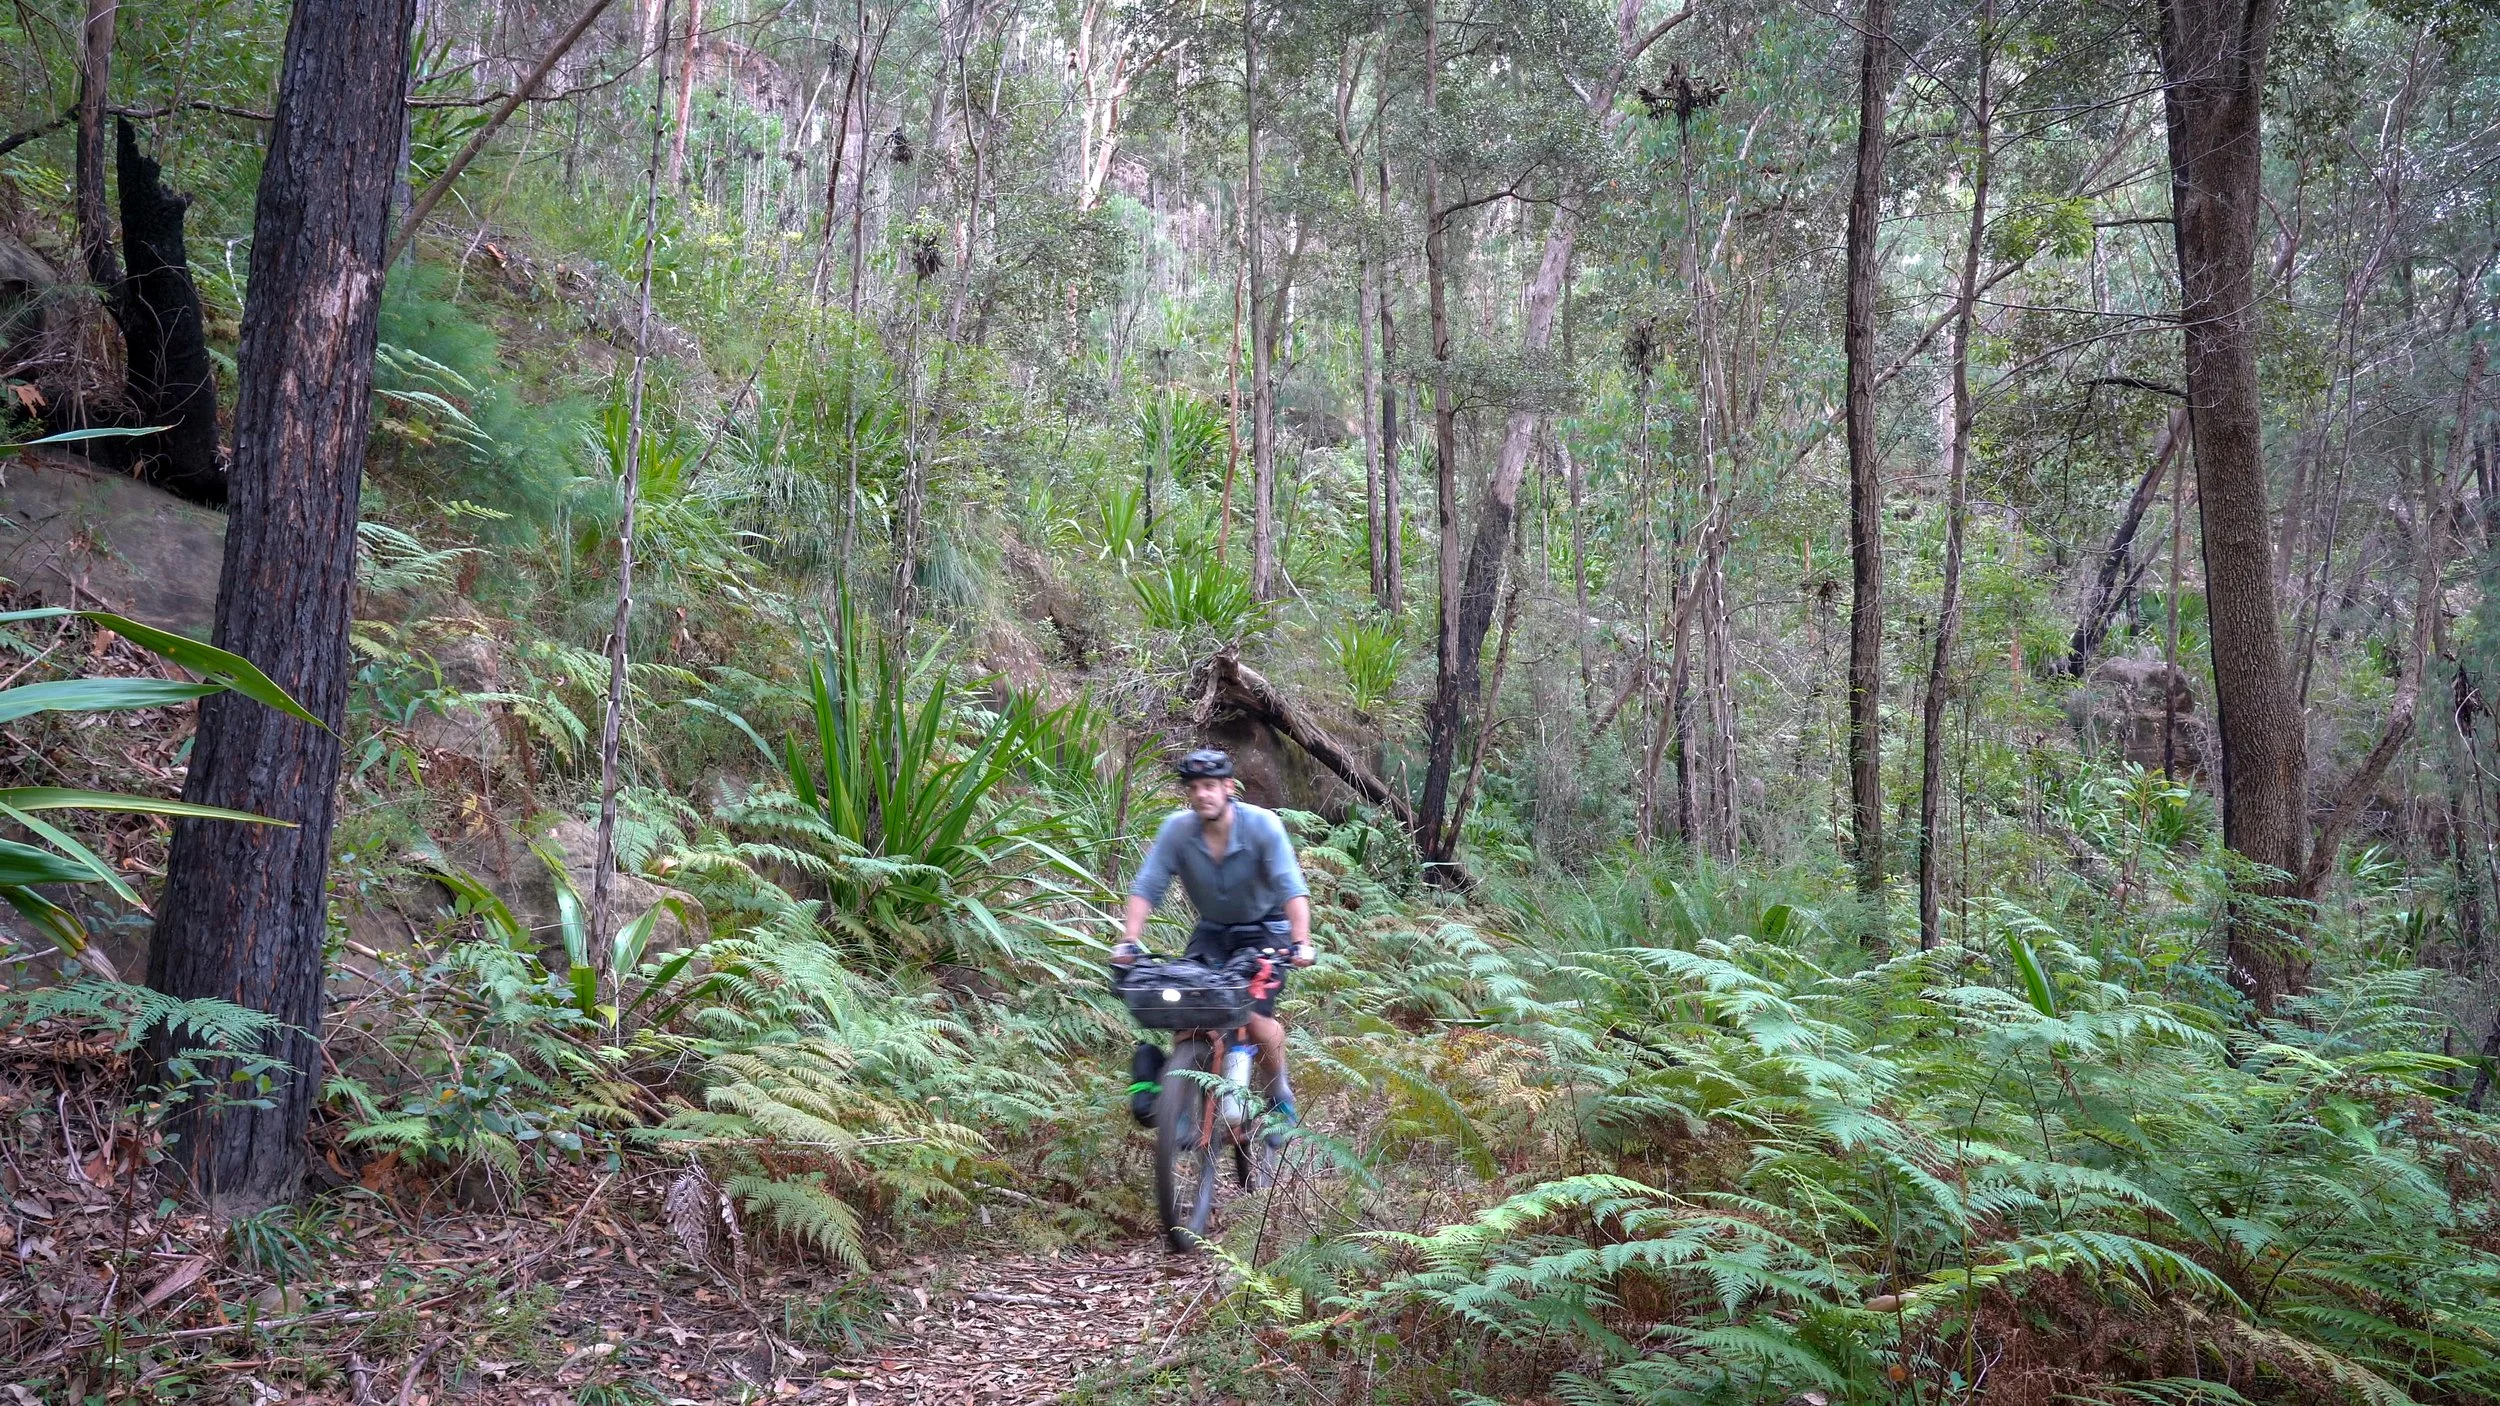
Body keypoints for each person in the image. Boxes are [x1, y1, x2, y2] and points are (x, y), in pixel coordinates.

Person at [1114, 748, 1315, 1138]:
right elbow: (1148, 886)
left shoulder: (1262, 826)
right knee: (1188, 1011)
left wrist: (1301, 941)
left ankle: (1279, 1095)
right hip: (1213, 930)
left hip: (1267, 929)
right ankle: (1182, 1103)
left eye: (1210, 786)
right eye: (1194, 788)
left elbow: (1291, 887)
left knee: (1254, 1020)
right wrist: (1129, 940)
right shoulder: (1178, 829)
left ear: (1228, 787)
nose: (1202, 794)